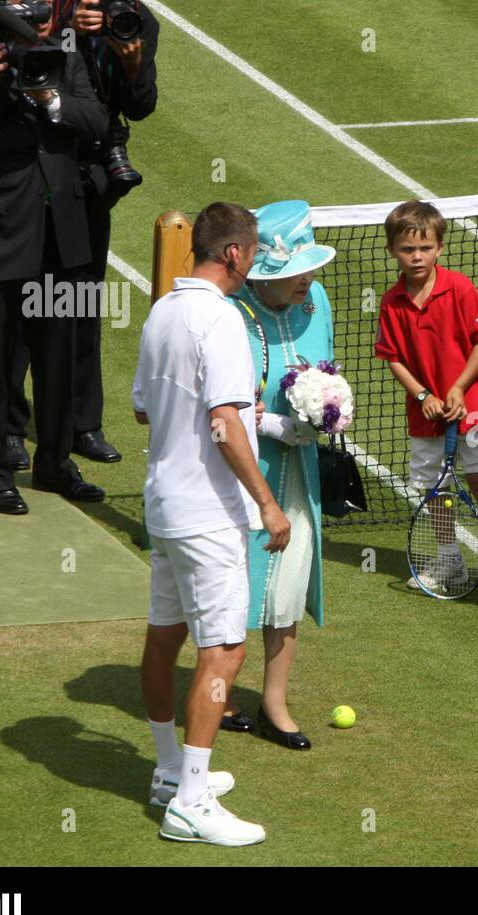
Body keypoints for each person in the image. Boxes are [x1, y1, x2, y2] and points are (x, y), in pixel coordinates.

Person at [131, 202, 291, 846]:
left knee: (165, 632)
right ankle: (191, 802)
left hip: (165, 506)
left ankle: (171, 770)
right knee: (223, 647)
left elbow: (147, 411)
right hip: (207, 513)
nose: (253, 262)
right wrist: (266, 502)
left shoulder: (164, 311)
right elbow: (223, 423)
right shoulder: (220, 320)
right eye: (251, 252)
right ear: (233, 254)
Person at [0, 6, 108, 514]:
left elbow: (96, 120)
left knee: (59, 360)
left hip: (61, 240)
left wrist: (51, 99)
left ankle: (55, 464)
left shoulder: (64, 61)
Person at [5, 0, 161, 470]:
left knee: (80, 303)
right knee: (22, 301)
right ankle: (11, 428)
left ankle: (82, 424)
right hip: (33, 171)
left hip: (89, 178)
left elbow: (142, 104)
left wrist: (132, 66)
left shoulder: (136, 20)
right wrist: (66, 35)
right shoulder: (42, 12)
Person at [222, 199, 335, 750]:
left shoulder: (318, 301)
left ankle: (274, 704)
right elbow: (224, 406)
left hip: (298, 473)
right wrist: (273, 427)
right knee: (228, 587)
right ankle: (216, 691)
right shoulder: (230, 313)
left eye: (309, 269)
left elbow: (325, 374)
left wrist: (324, 413)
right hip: (238, 474)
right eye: (293, 273)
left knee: (287, 588)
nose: (306, 280)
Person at [374, 200, 478, 597]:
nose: (416, 256)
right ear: (392, 250)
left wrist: (457, 388)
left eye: (425, 248)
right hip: (427, 413)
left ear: (440, 248)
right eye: (407, 249)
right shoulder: (390, 302)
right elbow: (394, 358)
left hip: (470, 407)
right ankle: (449, 556)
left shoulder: (460, 287)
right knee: (437, 488)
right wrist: (422, 394)